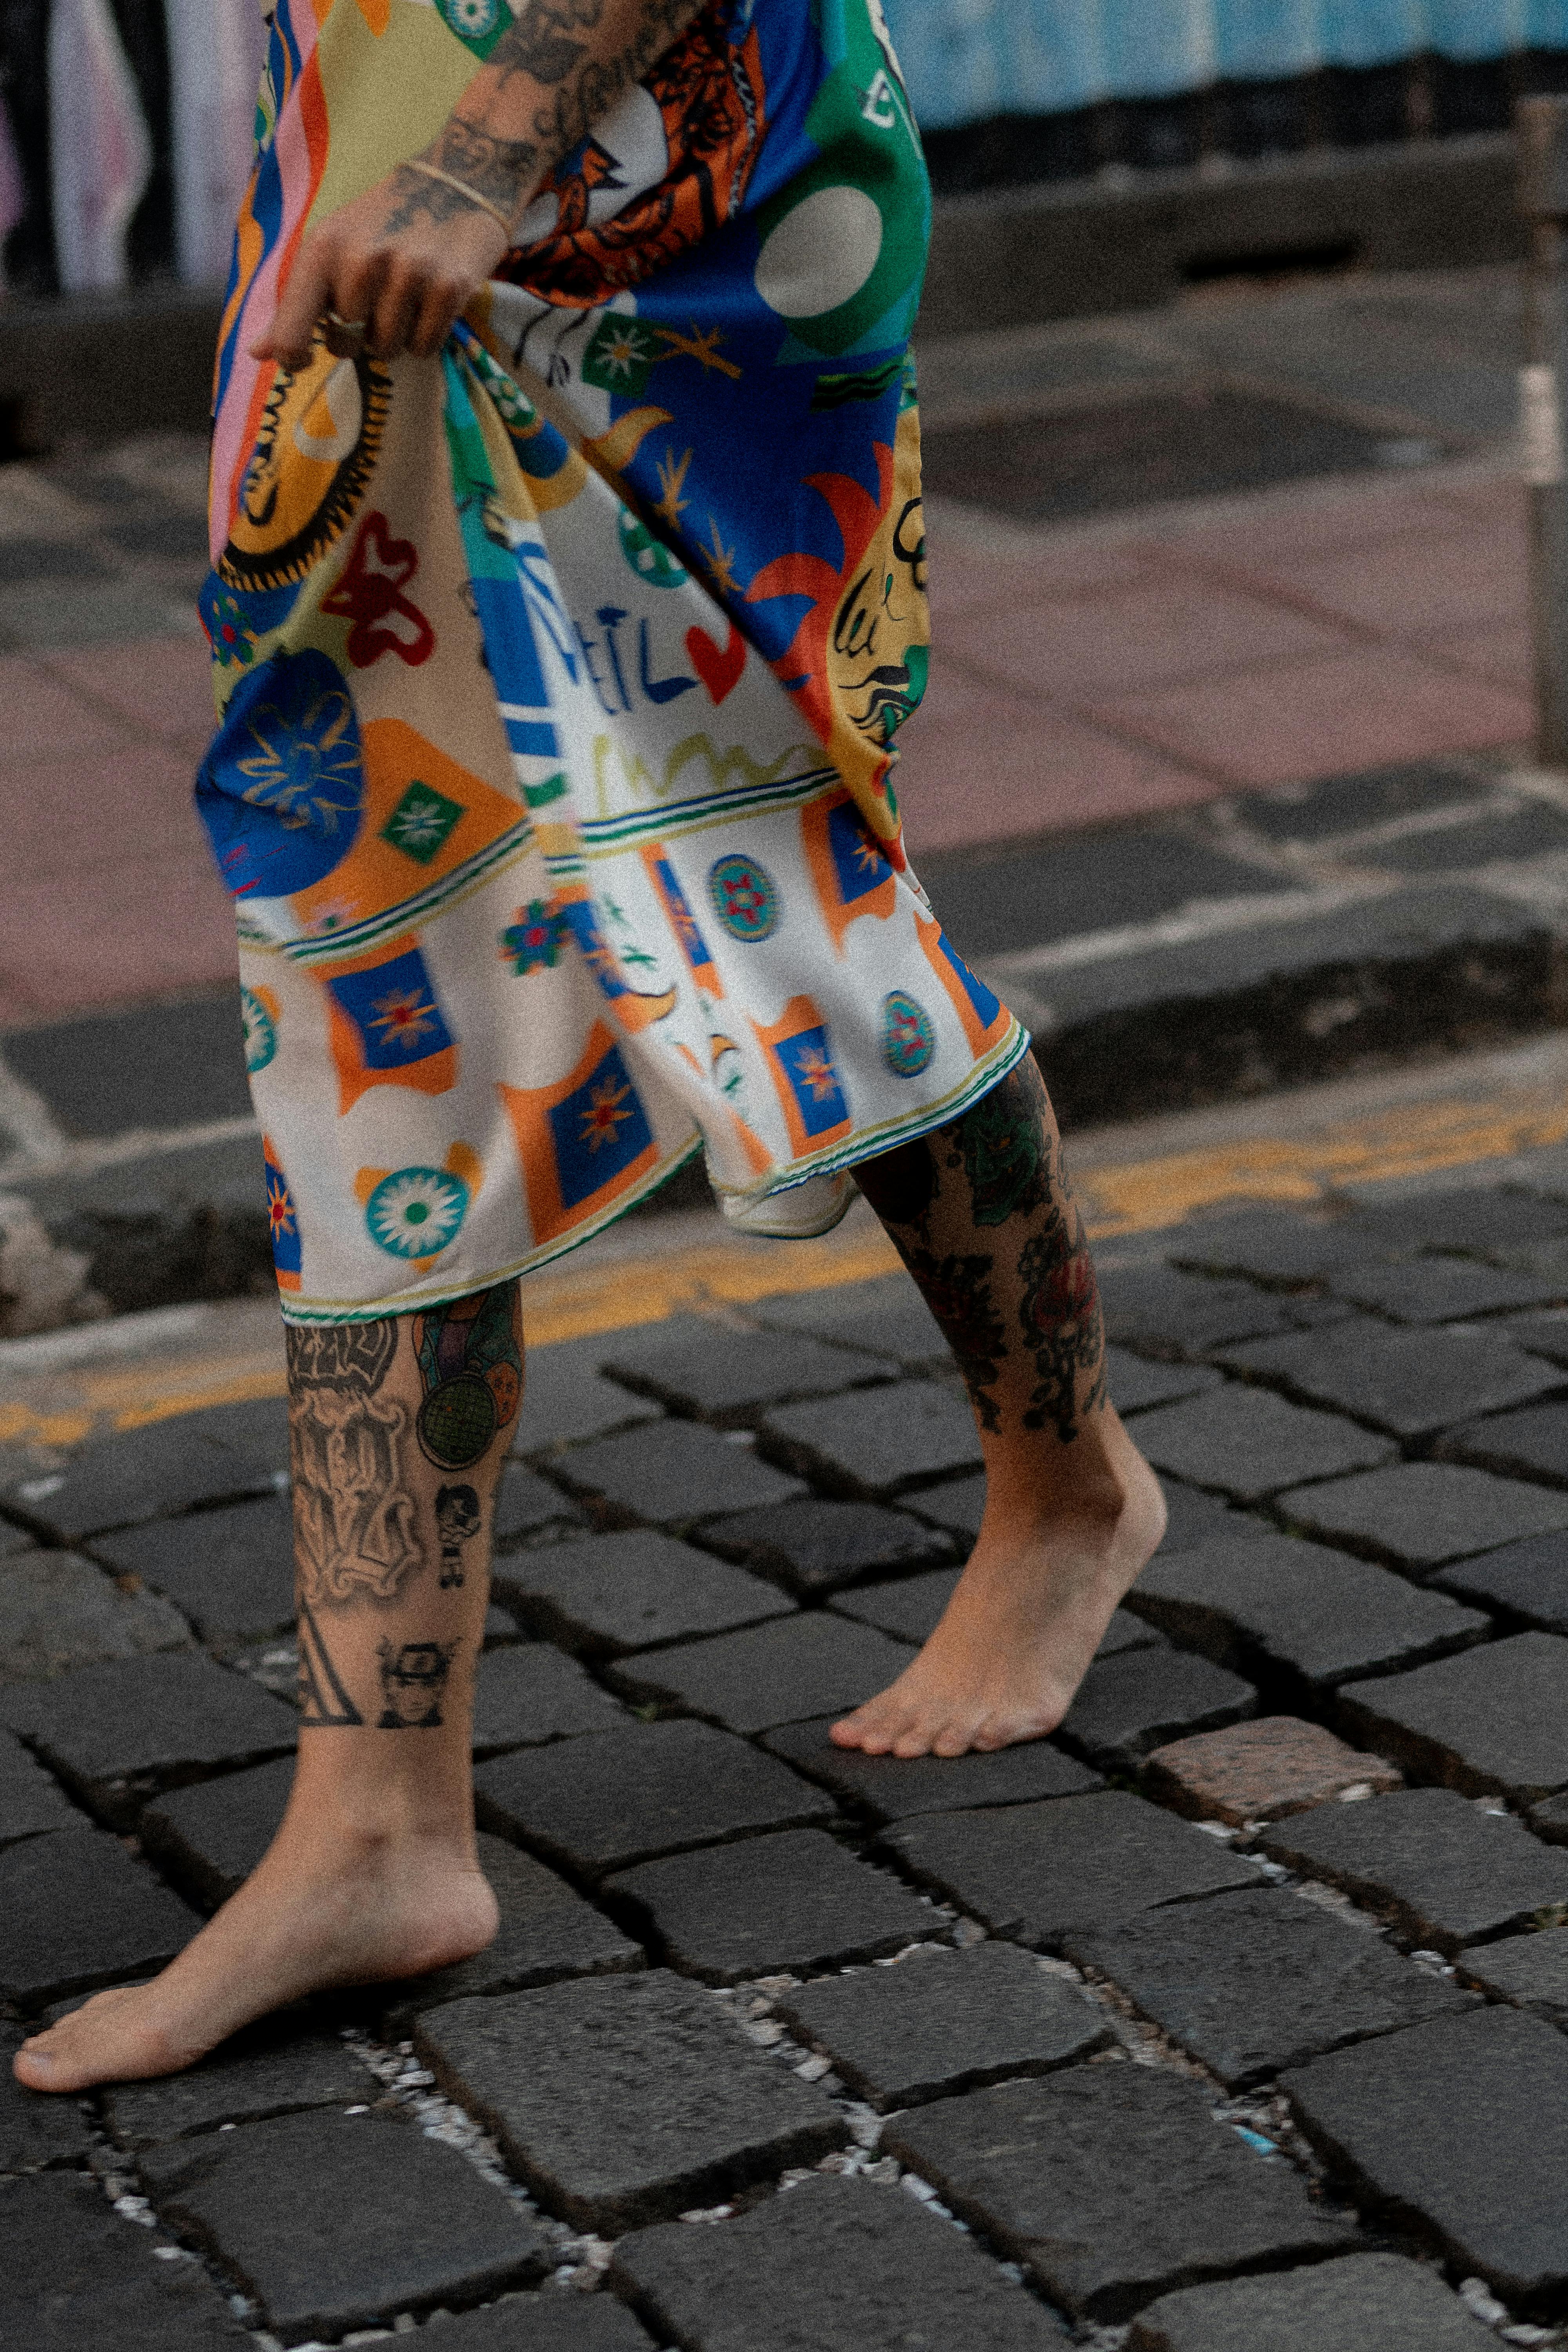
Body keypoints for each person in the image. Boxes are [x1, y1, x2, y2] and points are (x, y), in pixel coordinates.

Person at [15, 0, 1163, 2095]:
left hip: (657, 227)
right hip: (370, 184)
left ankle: (1066, 1486)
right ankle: (377, 1823)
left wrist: (487, 154)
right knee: (358, 969)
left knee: (785, 918)